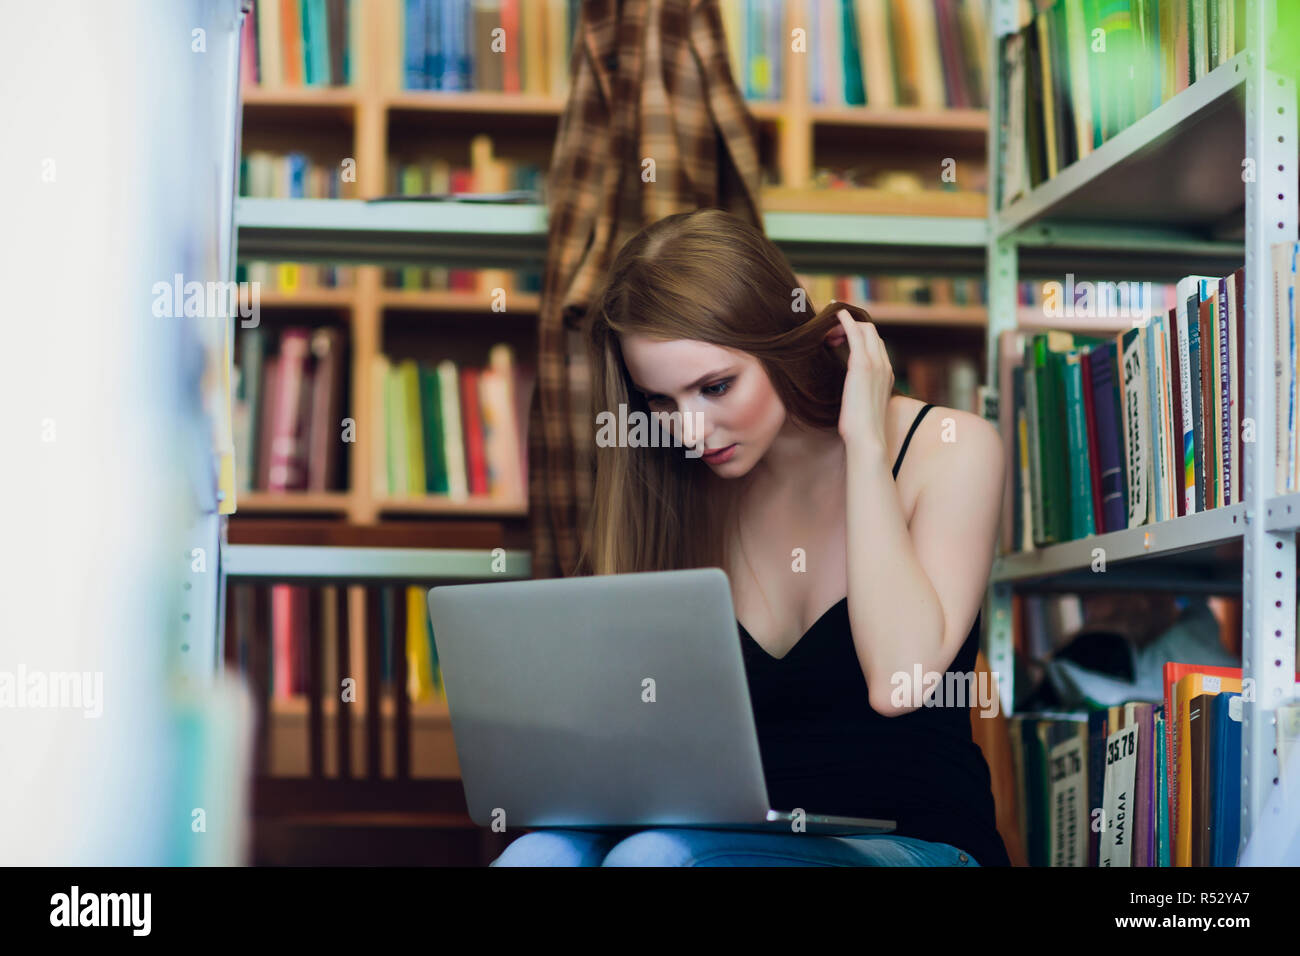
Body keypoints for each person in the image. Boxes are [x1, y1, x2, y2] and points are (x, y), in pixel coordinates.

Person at [493, 208, 1010, 866]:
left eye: (715, 387)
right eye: (660, 401)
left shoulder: (951, 447)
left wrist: (864, 444)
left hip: (915, 844)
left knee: (653, 859)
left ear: (782, 344)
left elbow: (899, 682)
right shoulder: (684, 487)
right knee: (538, 856)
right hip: (735, 838)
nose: (688, 431)